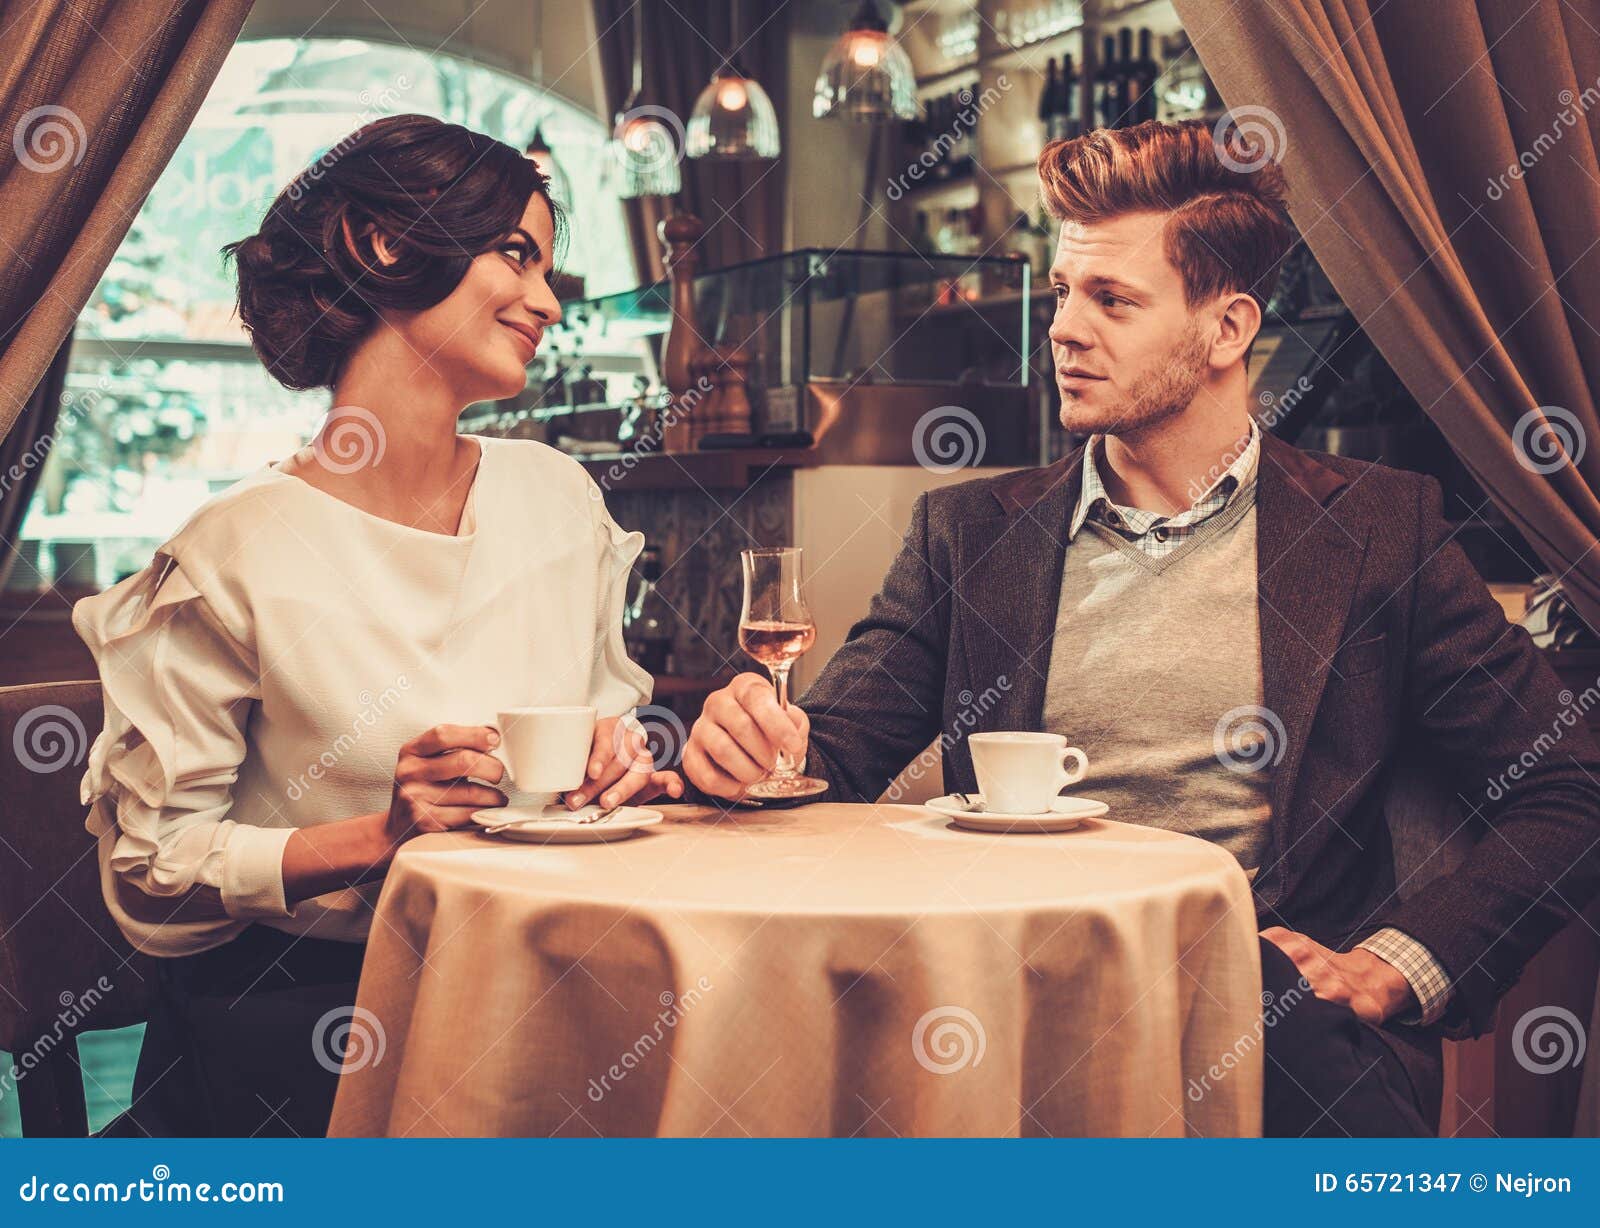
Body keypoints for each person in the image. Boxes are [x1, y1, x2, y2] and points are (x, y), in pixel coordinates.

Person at [682, 119, 1600, 1136]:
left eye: (1112, 300)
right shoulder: (970, 532)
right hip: (996, 993)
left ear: (1227, 329)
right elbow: (830, 755)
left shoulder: (1383, 530)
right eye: (1065, 291)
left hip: (1255, 1008)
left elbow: (1567, 784)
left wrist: (1398, 962)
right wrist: (754, 746)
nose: (1064, 328)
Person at [73, 113, 682, 1137]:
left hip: (546, 994)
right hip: (298, 1039)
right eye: (516, 254)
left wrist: (615, 761)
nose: (546, 298)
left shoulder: (558, 496)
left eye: (548, 266)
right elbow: (156, 874)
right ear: (386, 244)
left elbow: (609, 727)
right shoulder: (233, 549)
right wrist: (381, 837)